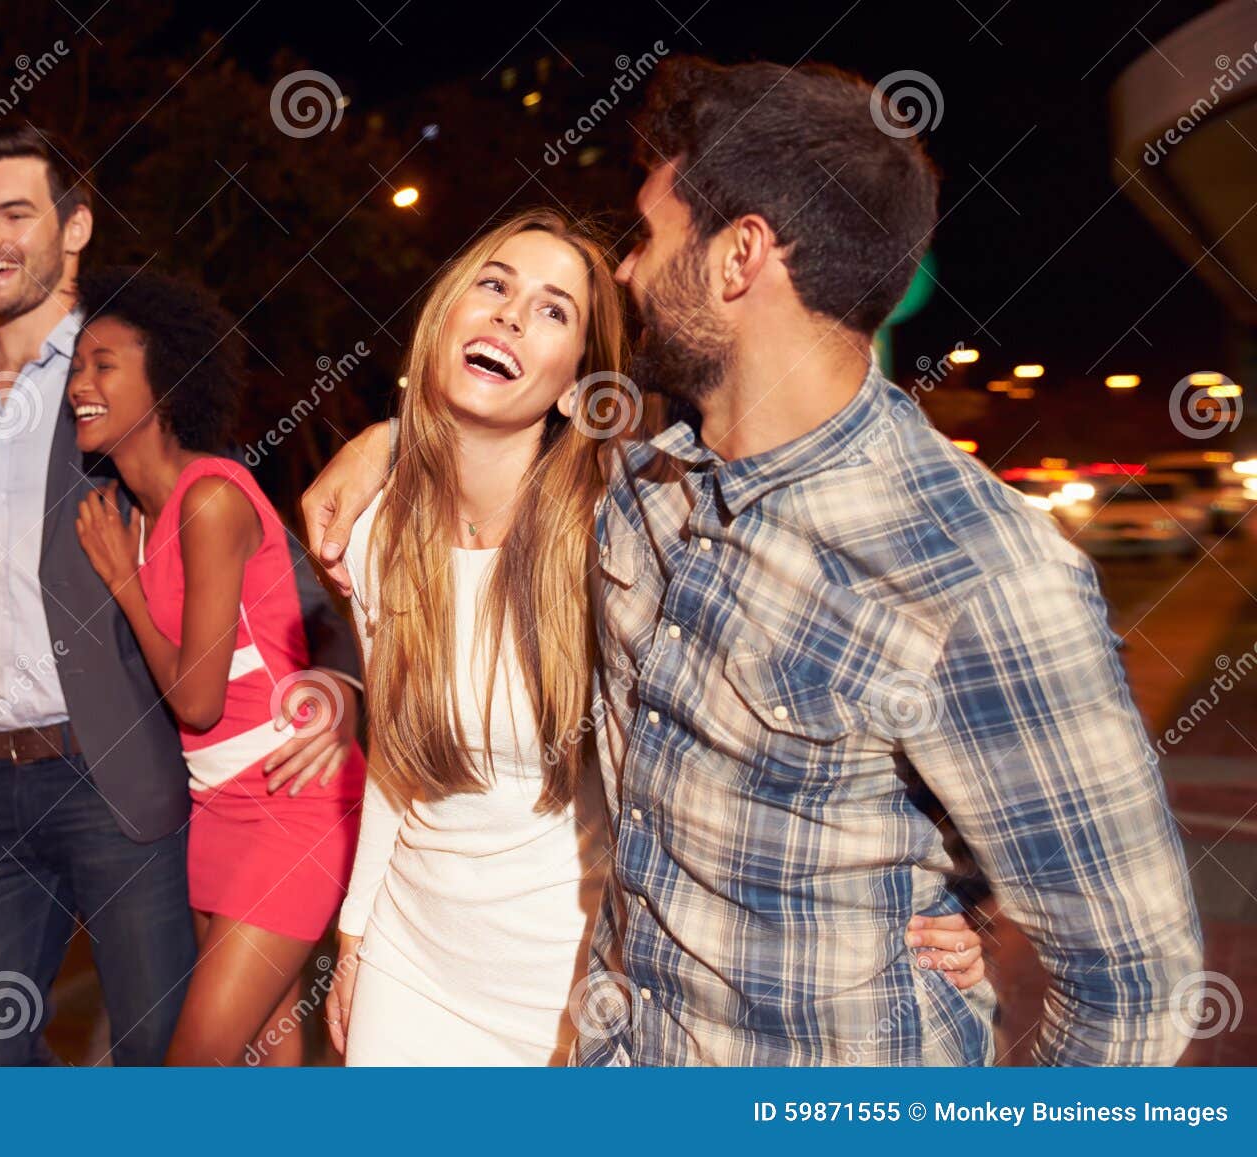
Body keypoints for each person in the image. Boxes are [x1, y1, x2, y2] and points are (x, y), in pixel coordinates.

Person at [304, 58, 1202, 1066]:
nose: (631, 275)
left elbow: (1134, 982)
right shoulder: (648, 495)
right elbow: (490, 471)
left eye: (648, 237)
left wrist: (971, 897)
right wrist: (384, 442)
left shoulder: (976, 573)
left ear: (736, 259)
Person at [319, 209, 984, 1067]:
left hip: (582, 997)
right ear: (446, 315)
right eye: (494, 285)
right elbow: (395, 771)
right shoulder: (377, 534)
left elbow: (828, 705)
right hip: (410, 970)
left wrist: (949, 889)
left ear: (575, 383)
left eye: (553, 310)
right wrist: (356, 933)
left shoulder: (623, 535)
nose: (511, 315)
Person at [0, 123, 361, 1066]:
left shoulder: (119, 378)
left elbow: (302, 589)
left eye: (15, 213)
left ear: (74, 231)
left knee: (168, 1056)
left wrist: (344, 688)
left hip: (116, 780)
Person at [68, 267, 367, 1066]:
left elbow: (197, 699)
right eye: (76, 365)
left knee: (193, 1068)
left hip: (291, 806)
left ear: (165, 379)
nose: (80, 384)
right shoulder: (136, 518)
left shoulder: (209, 498)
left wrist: (128, 588)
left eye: (105, 364)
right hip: (218, 812)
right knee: (266, 1055)